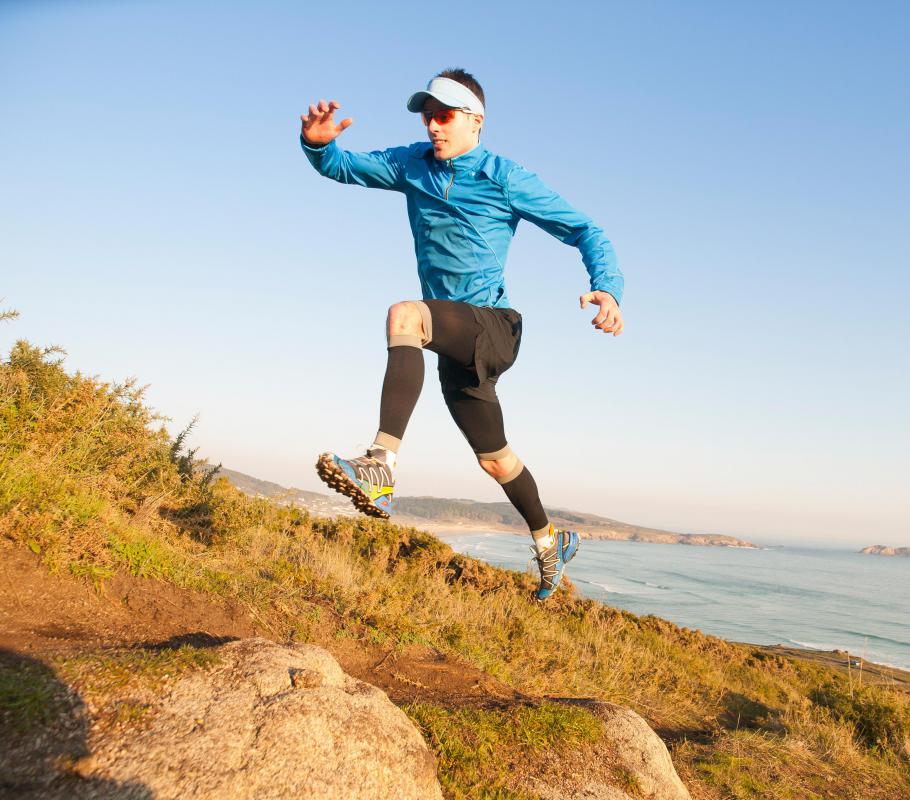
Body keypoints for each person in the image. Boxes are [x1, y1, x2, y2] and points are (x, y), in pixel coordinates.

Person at [300, 68, 624, 600]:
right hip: (453, 339)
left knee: (405, 314)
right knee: (494, 459)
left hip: (493, 327)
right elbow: (343, 166)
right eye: (428, 115)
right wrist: (317, 147)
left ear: (476, 120)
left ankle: (380, 465)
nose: (433, 126)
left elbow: (585, 229)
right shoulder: (411, 164)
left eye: (445, 115)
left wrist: (606, 288)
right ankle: (551, 543)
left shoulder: (503, 175)